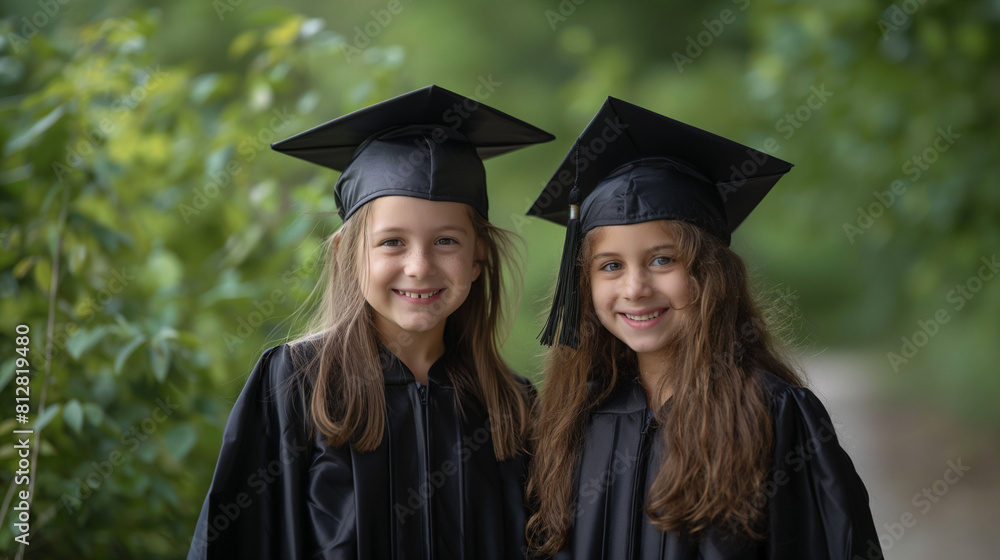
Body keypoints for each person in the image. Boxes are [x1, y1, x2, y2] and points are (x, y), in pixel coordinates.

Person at [188, 85, 554, 559]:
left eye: (446, 241)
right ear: (347, 254)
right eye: (392, 242)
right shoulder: (296, 383)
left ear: (478, 258)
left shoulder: (510, 404)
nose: (419, 266)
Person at [524, 97, 883, 559]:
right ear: (584, 284)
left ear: (711, 273)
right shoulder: (572, 421)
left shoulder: (773, 414)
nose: (635, 288)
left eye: (662, 259)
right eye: (610, 265)